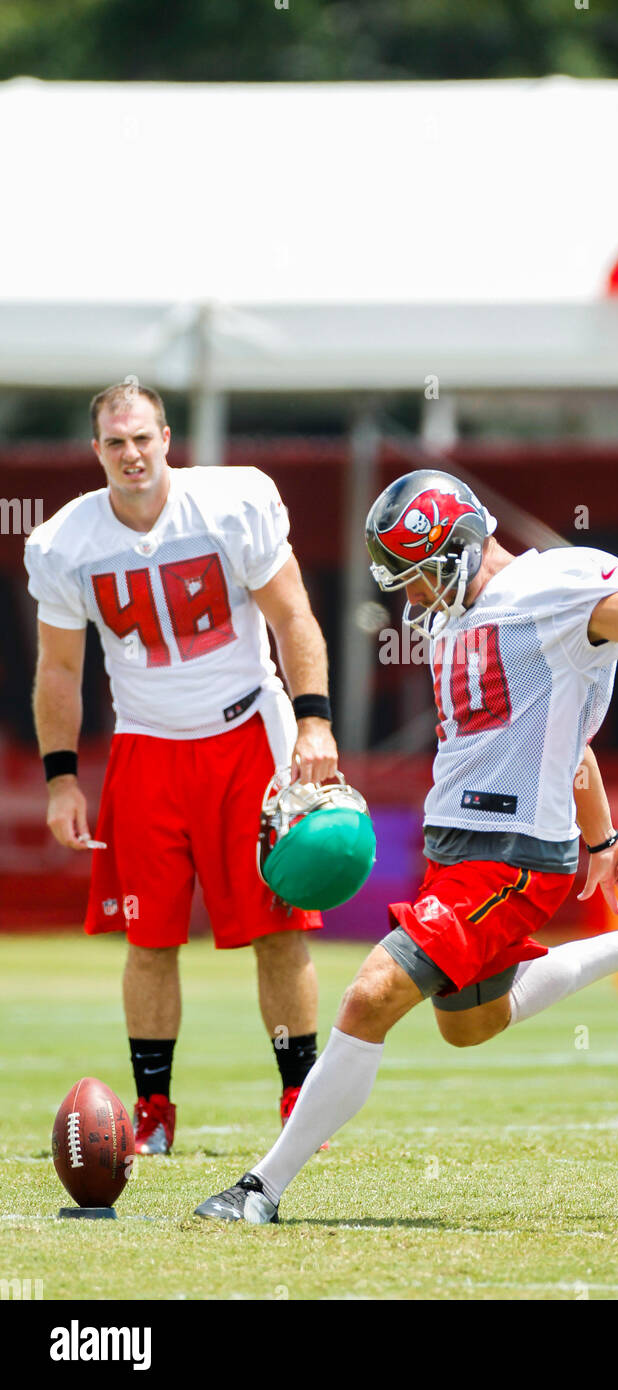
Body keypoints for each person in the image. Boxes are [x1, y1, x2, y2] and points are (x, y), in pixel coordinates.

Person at [195, 468, 618, 1223]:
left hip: (510, 857)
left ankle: (260, 1191)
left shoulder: (557, 592)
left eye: (416, 578)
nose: (410, 599)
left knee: (370, 996)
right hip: (454, 848)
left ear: (459, 550)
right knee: (469, 1025)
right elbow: (570, 742)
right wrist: (602, 836)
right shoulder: (454, 617)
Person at [24, 381, 338, 1155]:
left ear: (167, 437)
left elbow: (293, 615)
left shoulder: (231, 506)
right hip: (147, 744)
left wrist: (314, 720)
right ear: (96, 450)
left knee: (278, 928)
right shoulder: (66, 542)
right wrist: (61, 775)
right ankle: (154, 1109)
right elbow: (59, 669)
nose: (131, 454)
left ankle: (299, 1094)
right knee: (149, 939)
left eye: (142, 439)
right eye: (114, 443)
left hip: (245, 737)